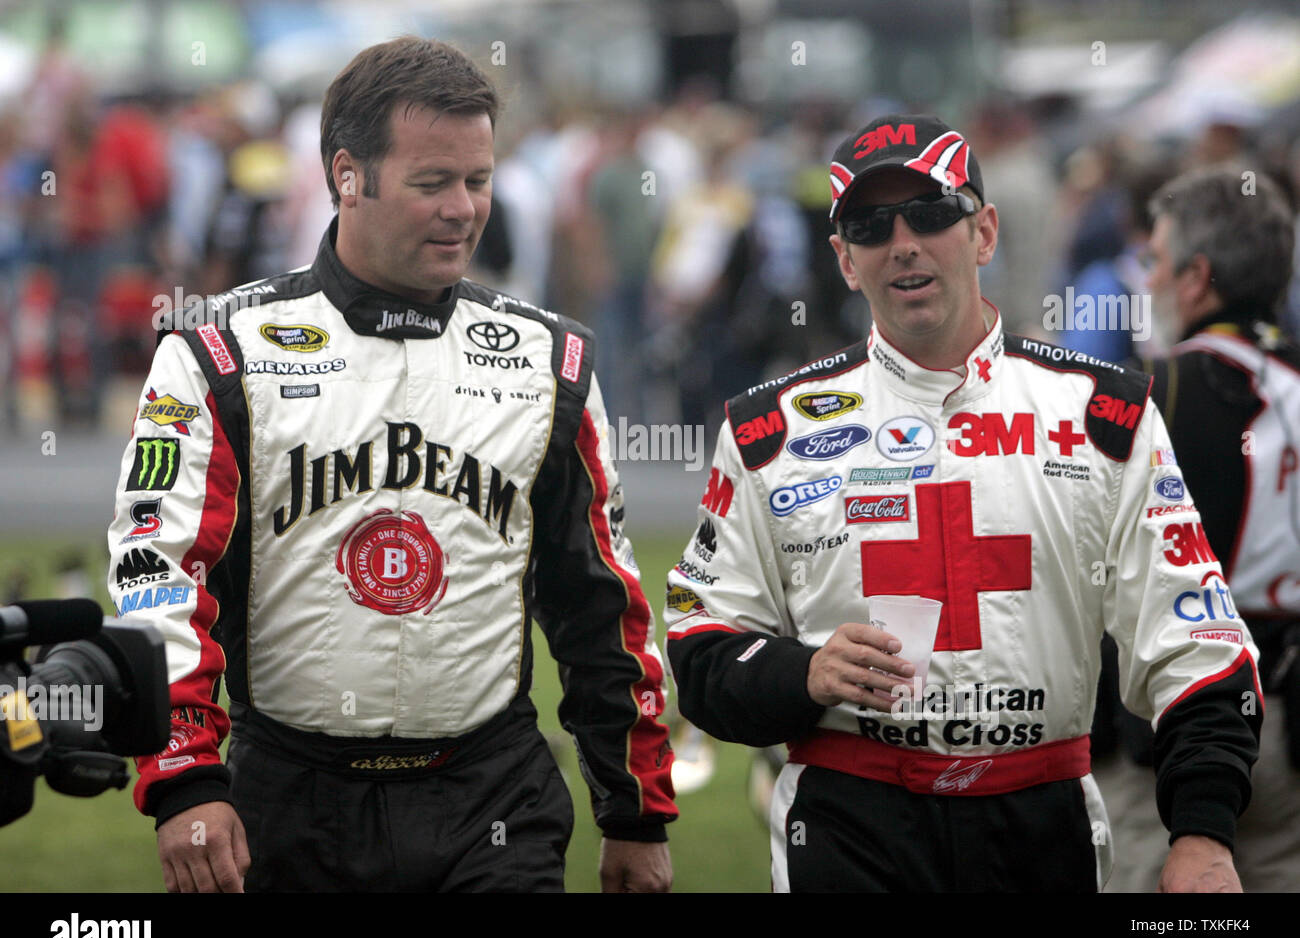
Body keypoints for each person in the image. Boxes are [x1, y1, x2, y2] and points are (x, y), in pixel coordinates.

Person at [106, 36, 676, 893]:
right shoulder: (219, 352)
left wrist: (634, 808)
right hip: (289, 799)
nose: (463, 210)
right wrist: (185, 777)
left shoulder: (548, 358)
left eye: (477, 181)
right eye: (431, 183)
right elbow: (158, 572)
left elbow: (602, 600)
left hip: (494, 796)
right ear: (348, 175)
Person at [663, 114, 1261, 892]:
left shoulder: (1103, 415)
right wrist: (804, 672)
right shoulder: (766, 429)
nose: (904, 241)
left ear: (984, 232)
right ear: (844, 260)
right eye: (872, 226)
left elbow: (1199, 640)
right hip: (849, 827)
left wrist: (1204, 834)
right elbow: (701, 647)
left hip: (1042, 827)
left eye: (933, 214)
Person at [1095, 164, 1300, 892]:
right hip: (1287, 725)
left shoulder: (1151, 393)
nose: (1145, 279)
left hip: (1175, 724)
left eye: (1154, 260)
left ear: (1196, 276)